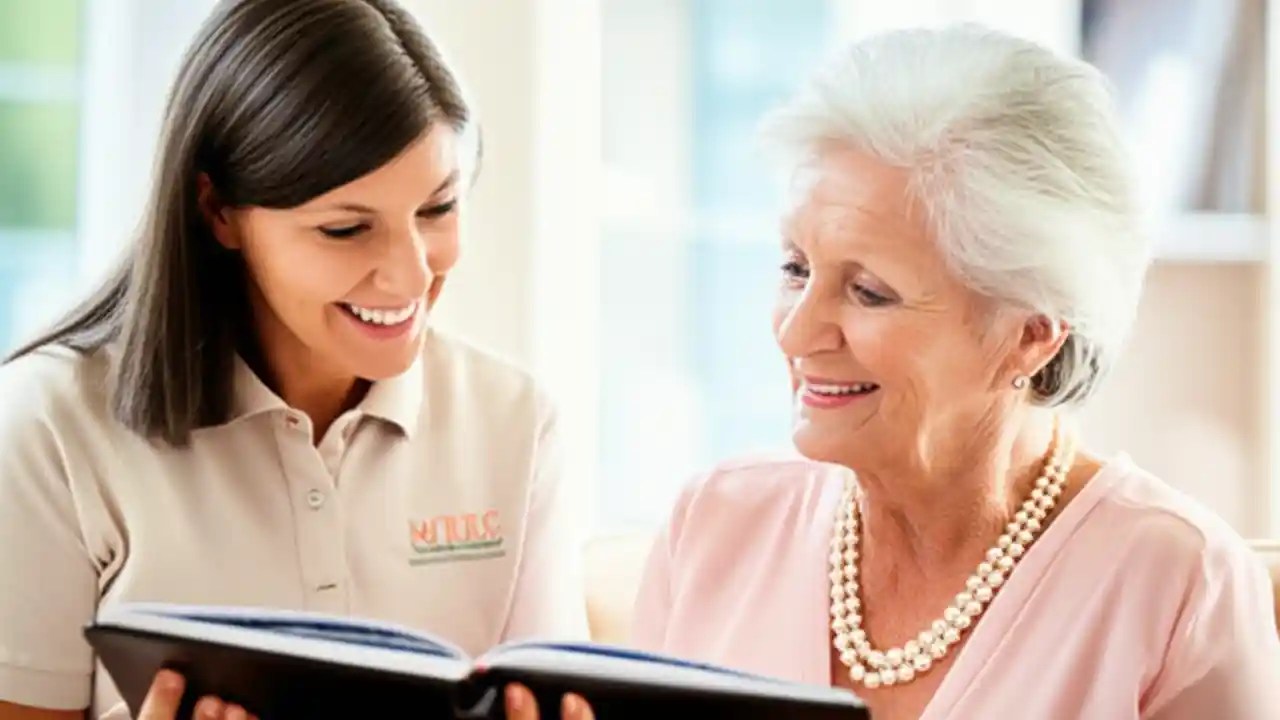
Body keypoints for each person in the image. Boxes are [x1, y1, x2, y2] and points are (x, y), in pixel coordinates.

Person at [539, 24, 1280, 720]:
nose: (797, 331)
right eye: (797, 268)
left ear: (1030, 335)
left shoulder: (1180, 585)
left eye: (869, 292)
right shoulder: (717, 526)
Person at [0, 1, 589, 718]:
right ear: (218, 211)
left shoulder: (515, 424)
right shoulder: (49, 427)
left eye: (437, 210)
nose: (409, 277)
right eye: (346, 229)